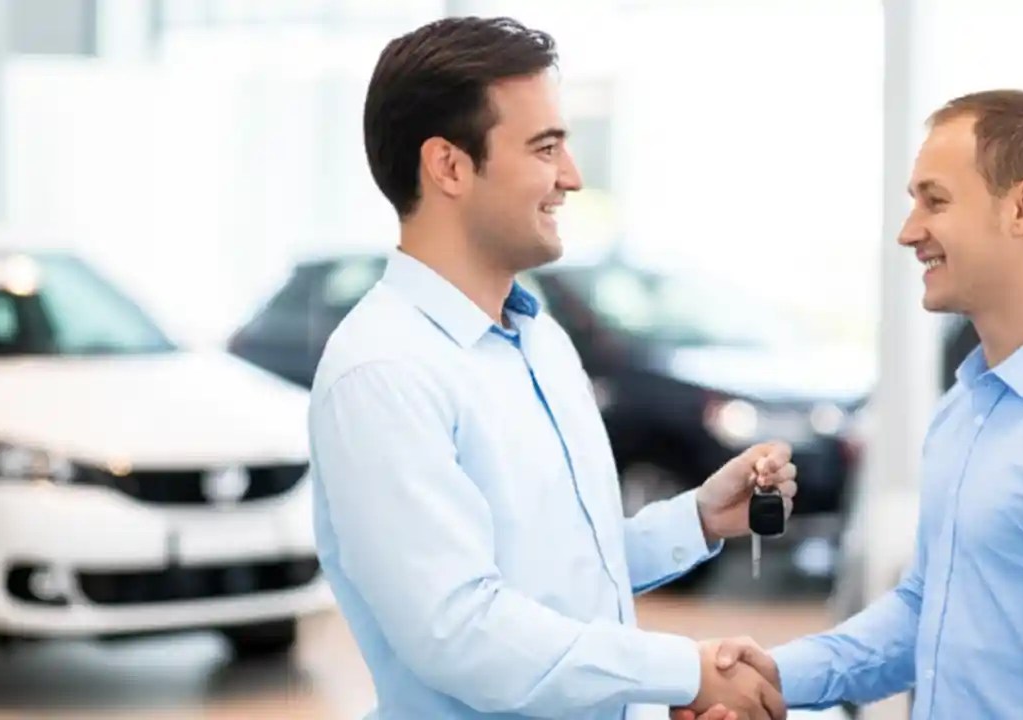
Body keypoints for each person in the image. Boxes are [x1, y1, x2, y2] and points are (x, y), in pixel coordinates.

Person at [307, 15, 794, 720]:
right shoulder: (382, 372)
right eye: (545, 148)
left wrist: (698, 520)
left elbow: (560, 578)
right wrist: (683, 672)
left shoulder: (539, 341)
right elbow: (461, 630)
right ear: (448, 165)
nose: (572, 176)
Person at [678, 89, 1023, 719]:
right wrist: (776, 674)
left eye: (935, 201)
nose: (909, 231)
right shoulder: (965, 409)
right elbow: (927, 610)